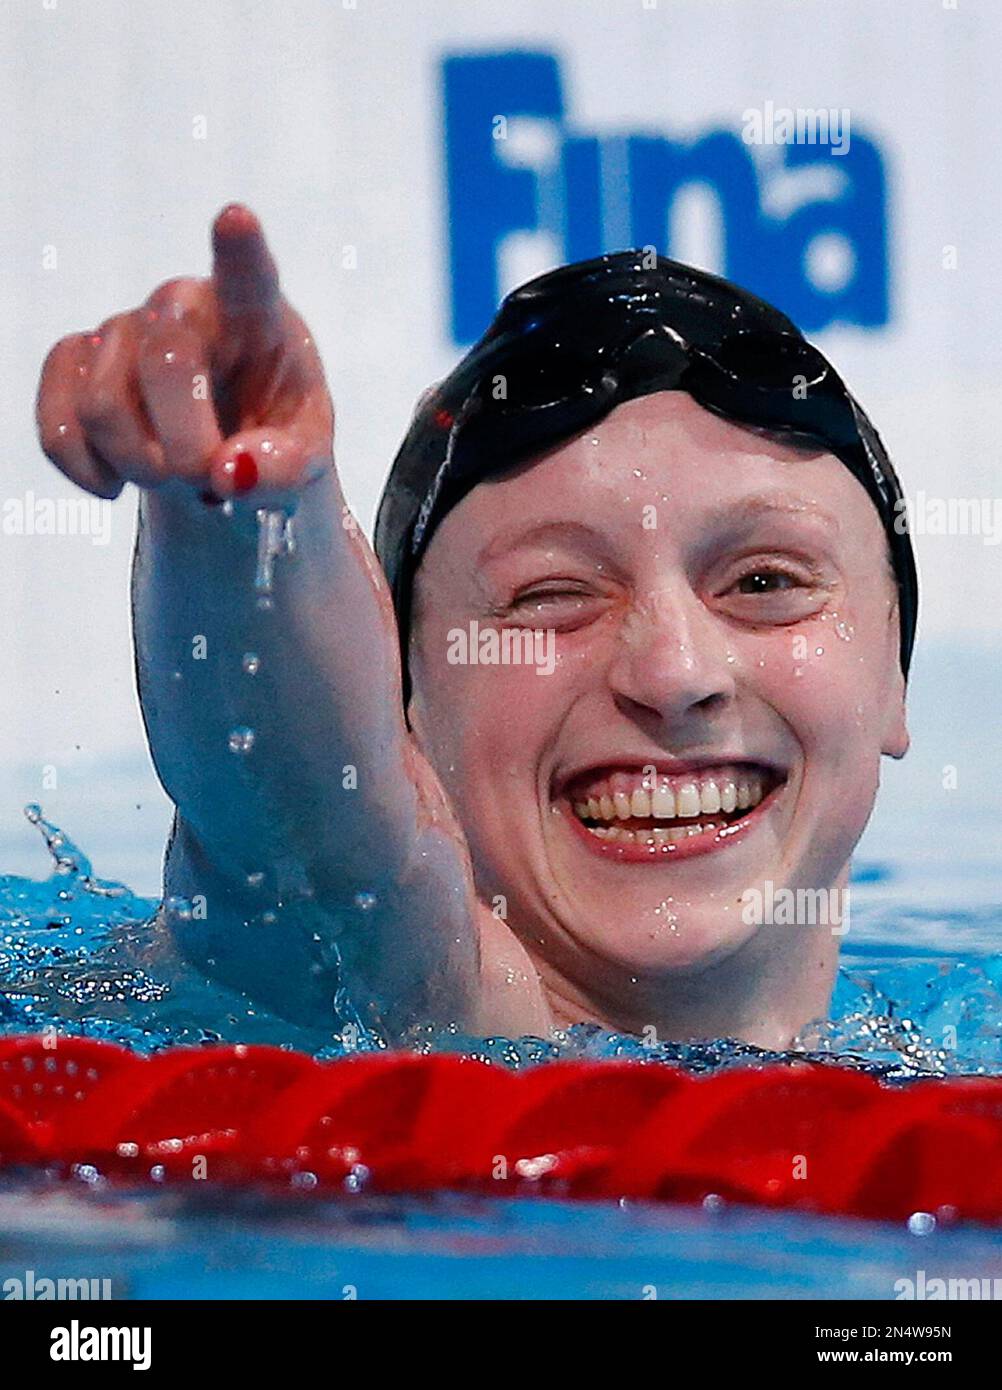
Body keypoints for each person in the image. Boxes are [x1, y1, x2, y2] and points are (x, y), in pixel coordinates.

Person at [34, 204, 917, 1050]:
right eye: (549, 595)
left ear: (895, 679)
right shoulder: (422, 1013)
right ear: (406, 711)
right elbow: (310, 858)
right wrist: (236, 520)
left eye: (765, 581)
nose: (675, 672)